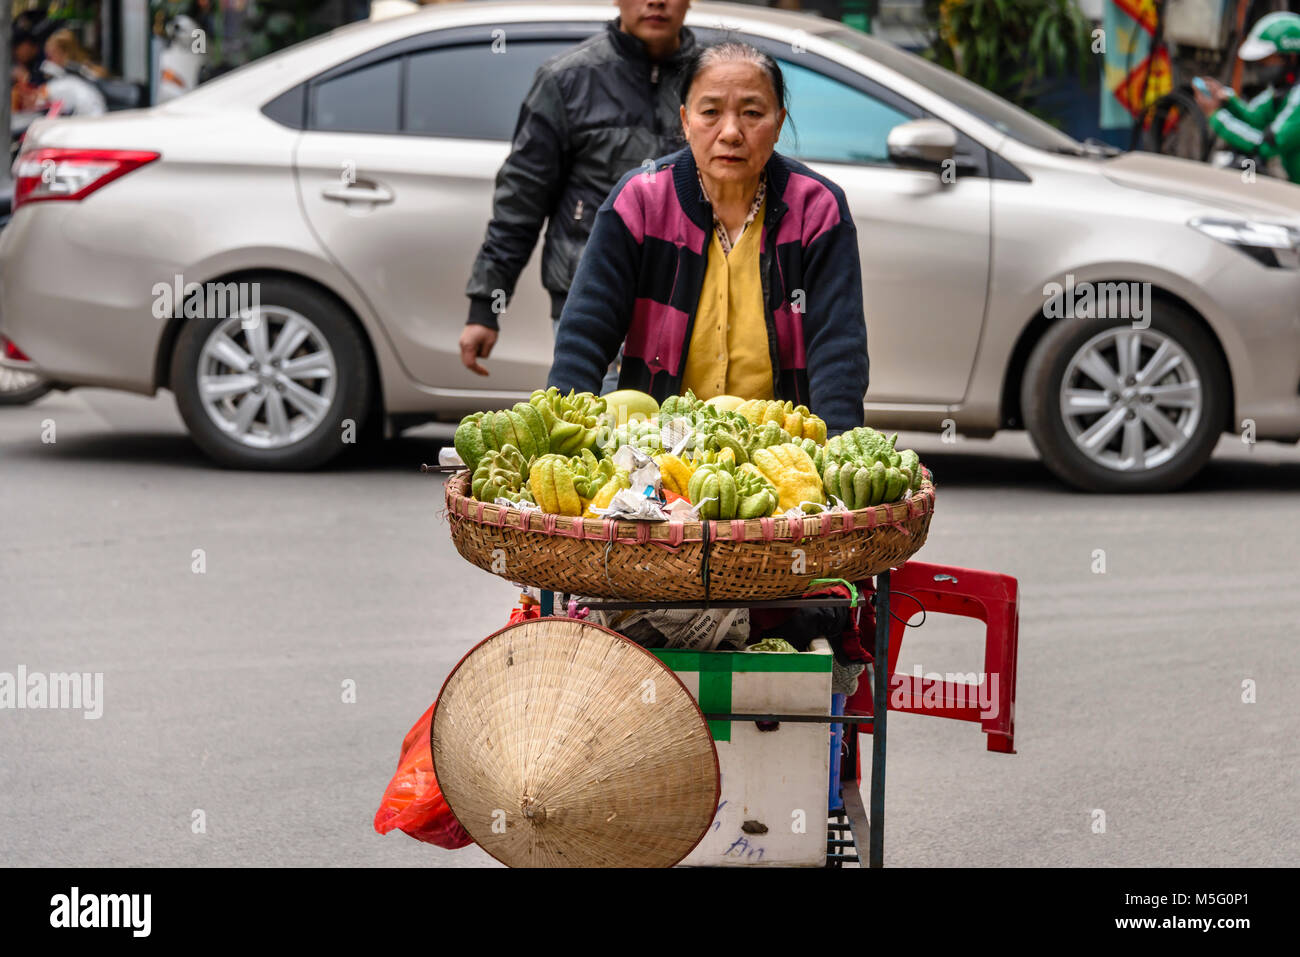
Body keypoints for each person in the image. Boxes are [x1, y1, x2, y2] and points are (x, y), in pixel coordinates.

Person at [546, 41, 869, 439]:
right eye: (711, 112)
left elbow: (839, 349)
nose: (731, 133)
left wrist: (835, 448)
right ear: (685, 120)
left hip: (782, 449)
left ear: (779, 122)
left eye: (752, 113)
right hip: (656, 447)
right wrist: (560, 438)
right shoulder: (640, 200)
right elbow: (585, 332)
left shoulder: (817, 208)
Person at [459, 0, 697, 392]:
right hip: (590, 304)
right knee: (600, 441)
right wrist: (485, 305)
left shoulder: (711, 79)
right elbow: (522, 198)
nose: (656, 1)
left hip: (687, 303)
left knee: (678, 443)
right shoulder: (566, 80)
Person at [1195, 11, 1300, 183]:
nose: (1261, 66)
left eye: (1268, 60)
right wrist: (1226, 100)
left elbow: (1266, 147)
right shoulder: (1282, 90)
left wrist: (1215, 116)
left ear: (1291, 57)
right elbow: (1256, 117)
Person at [37, 29, 107, 117]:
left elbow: (42, 98)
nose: (47, 61)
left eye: (50, 56)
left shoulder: (72, 76)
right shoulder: (82, 70)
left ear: (64, 53)